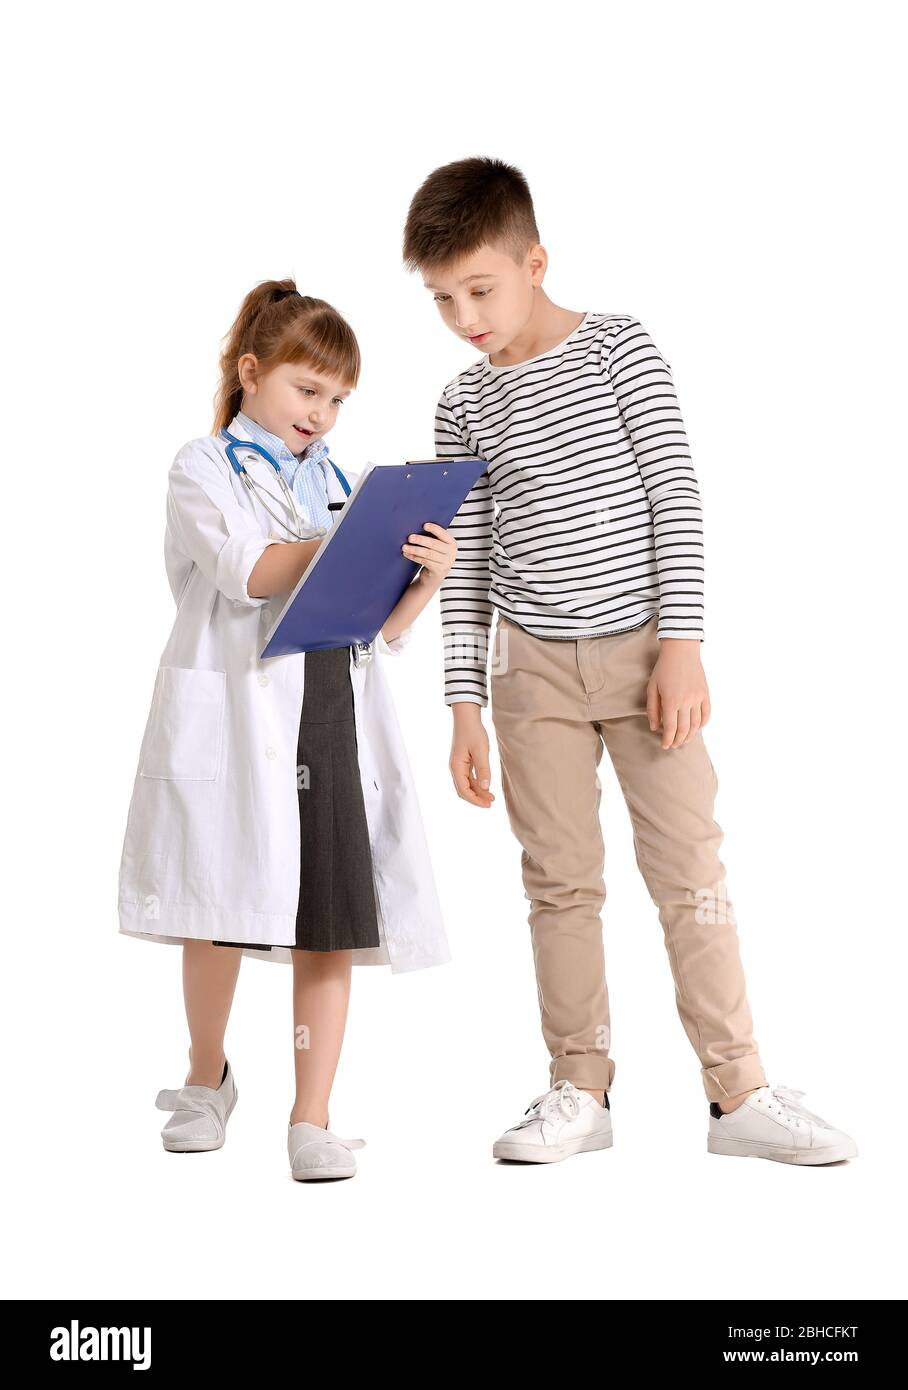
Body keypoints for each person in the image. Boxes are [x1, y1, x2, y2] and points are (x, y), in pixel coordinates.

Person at [402, 158, 857, 1166]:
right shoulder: (460, 402)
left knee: (689, 873)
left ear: (534, 261)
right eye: (440, 300)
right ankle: (578, 1088)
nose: (463, 315)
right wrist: (463, 705)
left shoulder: (617, 347)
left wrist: (683, 645)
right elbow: (465, 558)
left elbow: (674, 498)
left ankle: (737, 1094)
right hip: (529, 676)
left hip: (644, 656)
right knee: (558, 884)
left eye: (480, 289)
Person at [118, 278, 456, 1181]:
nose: (325, 413)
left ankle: (312, 1116)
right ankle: (205, 1078)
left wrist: (418, 580)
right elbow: (244, 572)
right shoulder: (203, 466)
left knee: (329, 914)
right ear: (252, 373)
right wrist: (342, 541)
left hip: (330, 710)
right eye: (309, 390)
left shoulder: (340, 483)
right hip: (238, 715)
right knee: (217, 906)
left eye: (339, 399)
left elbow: (373, 624)